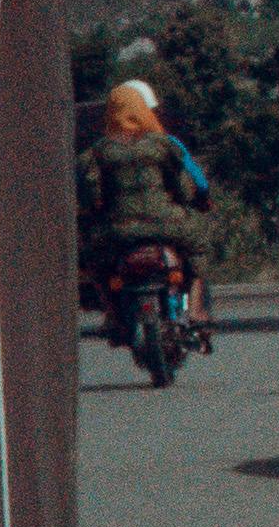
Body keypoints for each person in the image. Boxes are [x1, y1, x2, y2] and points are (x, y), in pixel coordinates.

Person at [85, 77, 212, 337]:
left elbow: (90, 196)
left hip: (119, 232)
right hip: (168, 226)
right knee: (198, 244)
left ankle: (111, 314)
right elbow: (186, 188)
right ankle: (196, 309)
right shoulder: (164, 146)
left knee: (95, 262)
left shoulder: (97, 153)